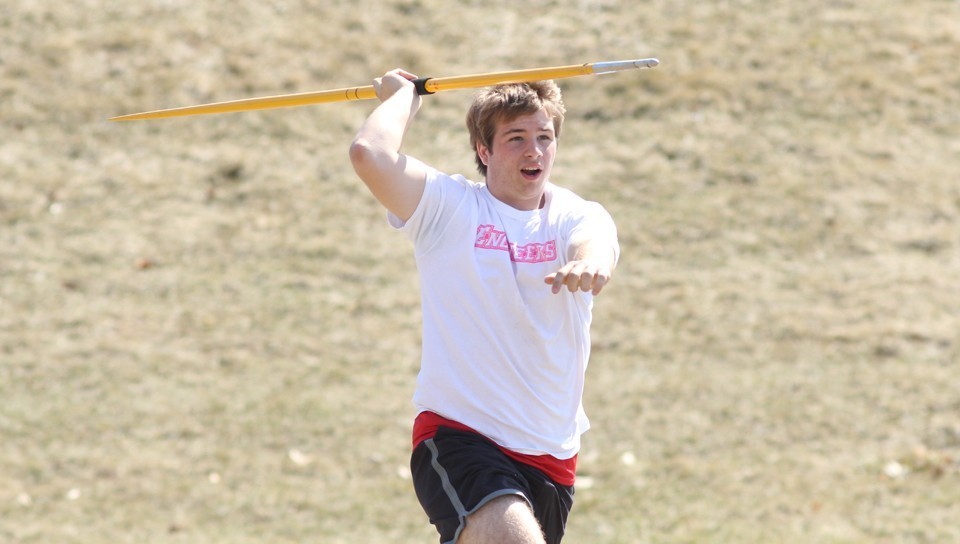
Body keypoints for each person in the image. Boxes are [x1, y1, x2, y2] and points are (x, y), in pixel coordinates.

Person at [349, 68, 620, 544]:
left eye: (544, 137)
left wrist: (590, 262)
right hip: (459, 436)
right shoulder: (448, 209)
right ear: (484, 151)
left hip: (551, 456)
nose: (534, 151)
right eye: (516, 138)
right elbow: (369, 154)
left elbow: (593, 242)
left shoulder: (577, 214)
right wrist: (403, 98)